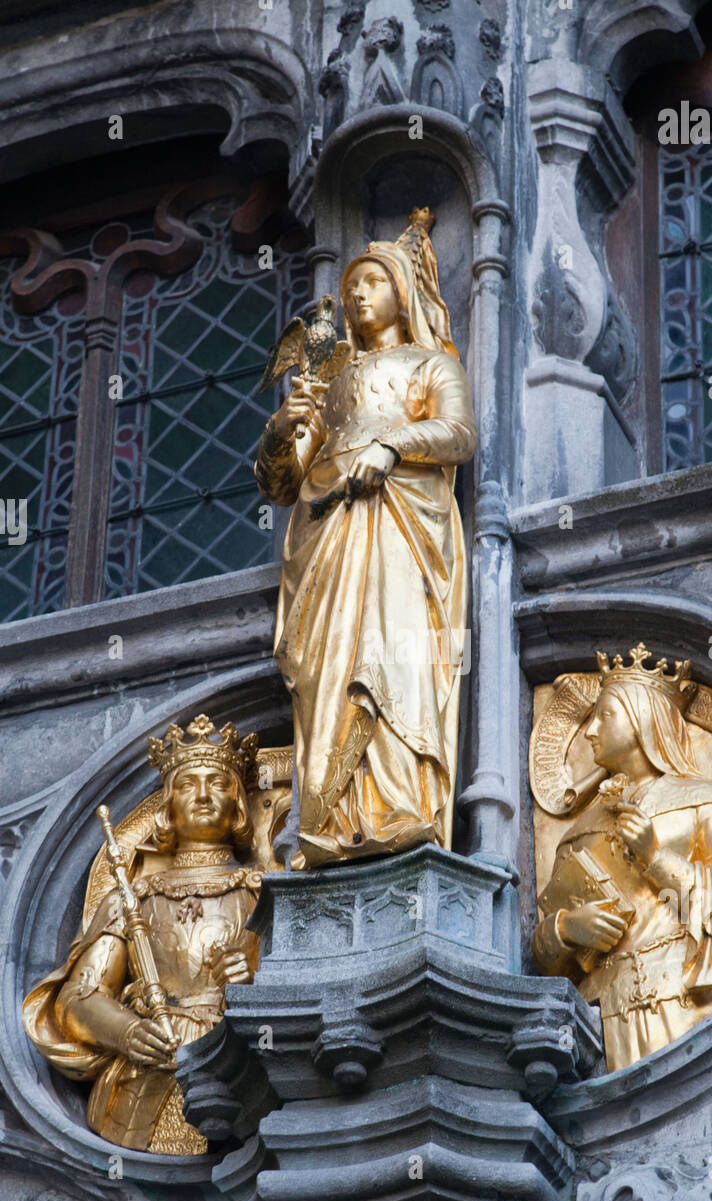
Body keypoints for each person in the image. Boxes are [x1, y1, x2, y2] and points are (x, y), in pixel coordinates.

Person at [254, 207, 476, 868]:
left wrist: (391, 444)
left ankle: (399, 805)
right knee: (330, 669)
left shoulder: (429, 366)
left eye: (373, 282)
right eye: (351, 284)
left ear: (403, 297)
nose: (356, 292)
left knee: (391, 657)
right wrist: (279, 433)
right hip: (328, 537)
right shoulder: (331, 380)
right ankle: (328, 818)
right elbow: (283, 483)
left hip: (400, 527)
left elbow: (459, 436)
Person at [23, 715, 261, 1153]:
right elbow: (79, 999)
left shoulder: (267, 894)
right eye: (188, 784)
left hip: (243, 1064)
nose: (204, 795)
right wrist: (129, 1032)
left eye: (218, 783)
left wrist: (257, 977)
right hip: (146, 1075)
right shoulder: (130, 899)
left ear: (240, 802)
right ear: (167, 807)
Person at [533, 645, 712, 1072]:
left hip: (690, 998)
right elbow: (543, 957)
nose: (590, 732)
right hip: (604, 1017)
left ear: (642, 719)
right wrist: (566, 929)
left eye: (605, 716)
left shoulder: (705, 802)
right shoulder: (577, 833)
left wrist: (656, 857)